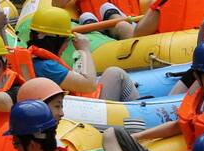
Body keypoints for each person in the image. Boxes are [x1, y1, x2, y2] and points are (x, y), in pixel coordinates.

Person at [8, 7, 140, 101]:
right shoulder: (47, 66)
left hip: (65, 105)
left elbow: (77, 79)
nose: (66, 46)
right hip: (81, 114)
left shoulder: (33, 58)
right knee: (116, 73)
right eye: (66, 40)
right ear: (56, 40)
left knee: (110, 74)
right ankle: (138, 110)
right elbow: (89, 85)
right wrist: (84, 50)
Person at [0, 76, 96, 151]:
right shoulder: (44, 144)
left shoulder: (8, 129)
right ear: (38, 108)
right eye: (57, 106)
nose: (61, 113)